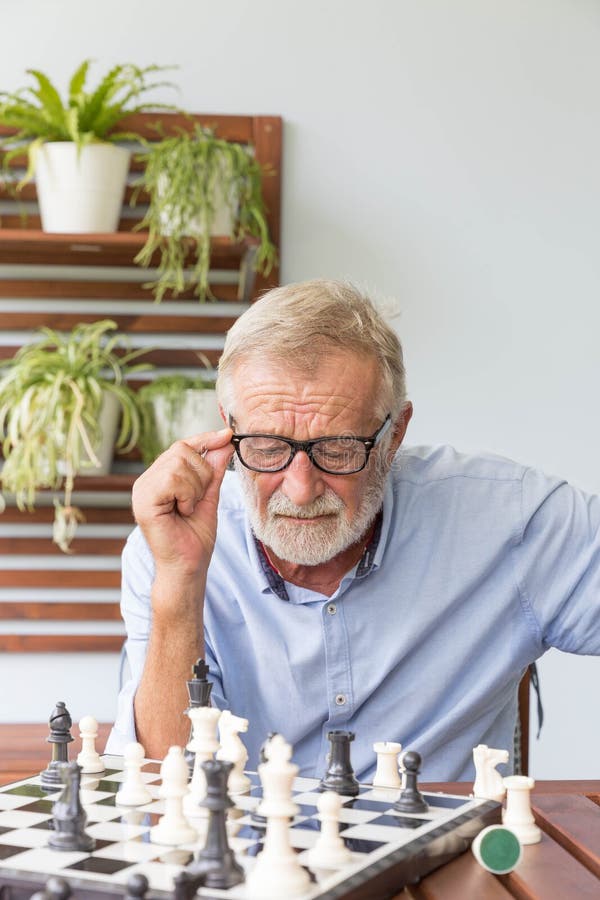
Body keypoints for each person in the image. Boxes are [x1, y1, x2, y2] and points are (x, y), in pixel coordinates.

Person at [106, 279, 600, 781]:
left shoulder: (505, 519)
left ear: (395, 434)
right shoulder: (170, 545)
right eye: (268, 447)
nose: (299, 490)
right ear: (227, 426)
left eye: (339, 450)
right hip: (247, 855)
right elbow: (159, 785)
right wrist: (179, 580)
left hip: (445, 858)